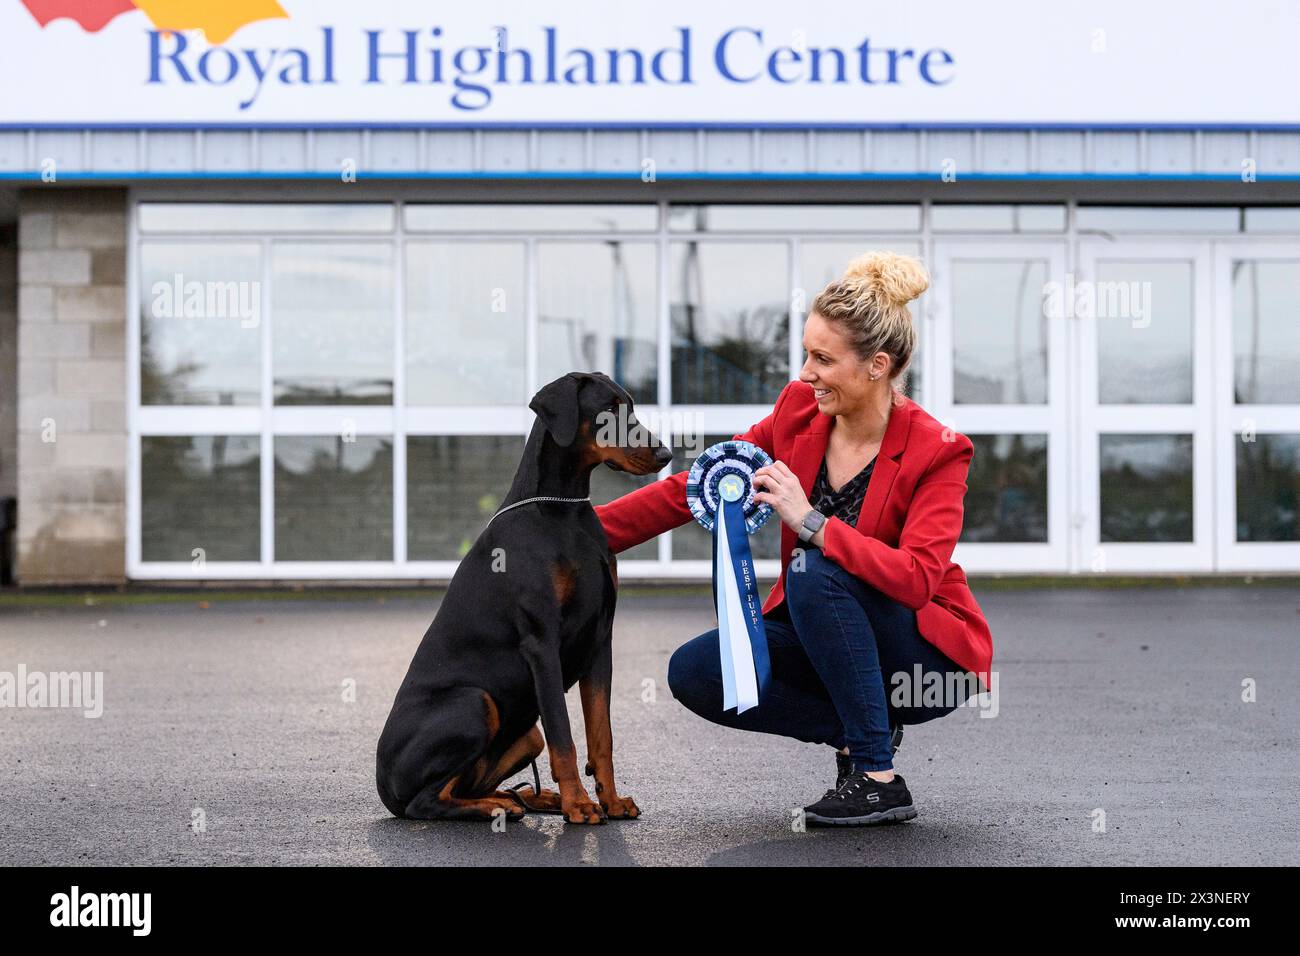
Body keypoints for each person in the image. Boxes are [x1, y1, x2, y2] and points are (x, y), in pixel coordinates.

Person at [594, 251, 993, 827]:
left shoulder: (939, 450)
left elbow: (916, 578)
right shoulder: (798, 412)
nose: (806, 372)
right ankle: (862, 731)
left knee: (812, 568)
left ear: (877, 365)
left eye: (823, 359)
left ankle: (877, 775)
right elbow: (699, 485)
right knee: (699, 671)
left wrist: (812, 522)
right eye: (807, 352)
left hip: (925, 657)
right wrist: (585, 533)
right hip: (828, 634)